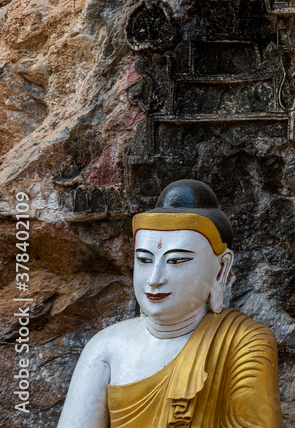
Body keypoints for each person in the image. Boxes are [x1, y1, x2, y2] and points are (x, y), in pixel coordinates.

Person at [58, 180, 282, 428]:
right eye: (144, 260)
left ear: (220, 269)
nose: (154, 279)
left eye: (175, 261)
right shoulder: (105, 347)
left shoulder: (244, 343)